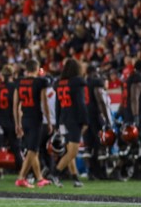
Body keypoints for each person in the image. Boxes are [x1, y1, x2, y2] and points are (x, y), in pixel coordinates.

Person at [13, 58, 53, 188]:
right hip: (36, 118)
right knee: (32, 150)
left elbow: (15, 105)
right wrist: (49, 120)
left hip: (24, 118)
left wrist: (17, 123)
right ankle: (21, 177)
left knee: (34, 150)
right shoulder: (40, 82)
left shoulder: (19, 82)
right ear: (37, 69)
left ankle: (40, 178)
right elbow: (44, 102)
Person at [52, 58, 88, 187]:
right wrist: (85, 120)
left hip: (63, 119)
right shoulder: (77, 82)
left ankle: (75, 178)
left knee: (69, 150)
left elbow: (58, 105)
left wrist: (57, 123)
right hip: (73, 119)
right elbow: (80, 103)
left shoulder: (59, 83)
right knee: (73, 152)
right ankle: (55, 173)